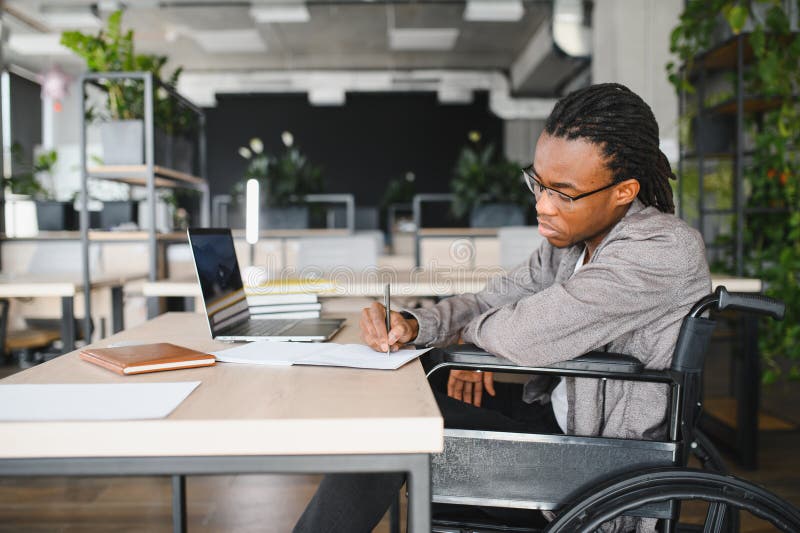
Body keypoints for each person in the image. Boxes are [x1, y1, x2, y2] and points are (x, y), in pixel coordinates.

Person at [293, 83, 711, 533]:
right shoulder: (572, 244)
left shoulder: (661, 249)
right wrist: (415, 324)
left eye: (563, 194)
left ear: (625, 190)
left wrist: (471, 338)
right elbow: (492, 301)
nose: (542, 206)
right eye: (538, 183)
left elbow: (523, 335)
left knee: (388, 426)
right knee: (399, 401)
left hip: (596, 469)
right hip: (559, 425)